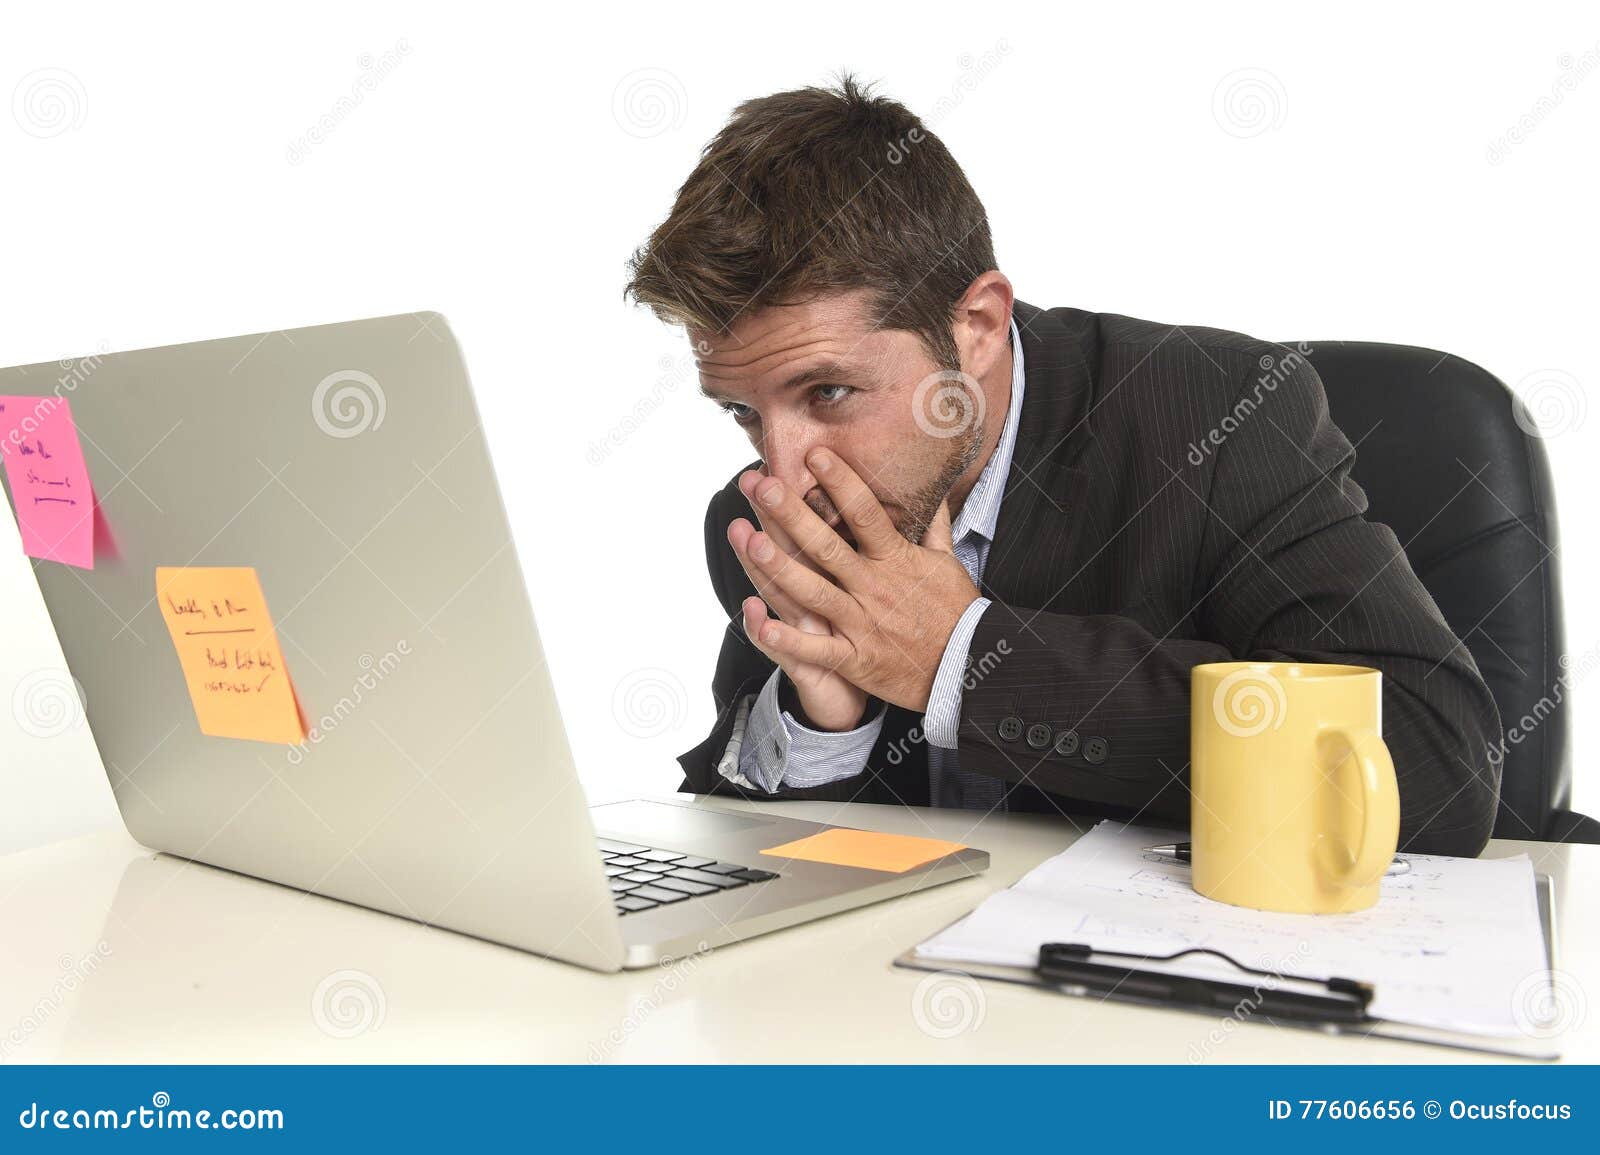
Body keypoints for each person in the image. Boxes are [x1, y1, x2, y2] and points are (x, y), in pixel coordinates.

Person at [624, 76, 1501, 856]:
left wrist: (960, 660)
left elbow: (1436, 761)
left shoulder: (1218, 415)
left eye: (827, 392)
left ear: (974, 328)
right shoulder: (761, 523)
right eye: (743, 411)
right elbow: (749, 863)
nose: (782, 472)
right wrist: (827, 726)